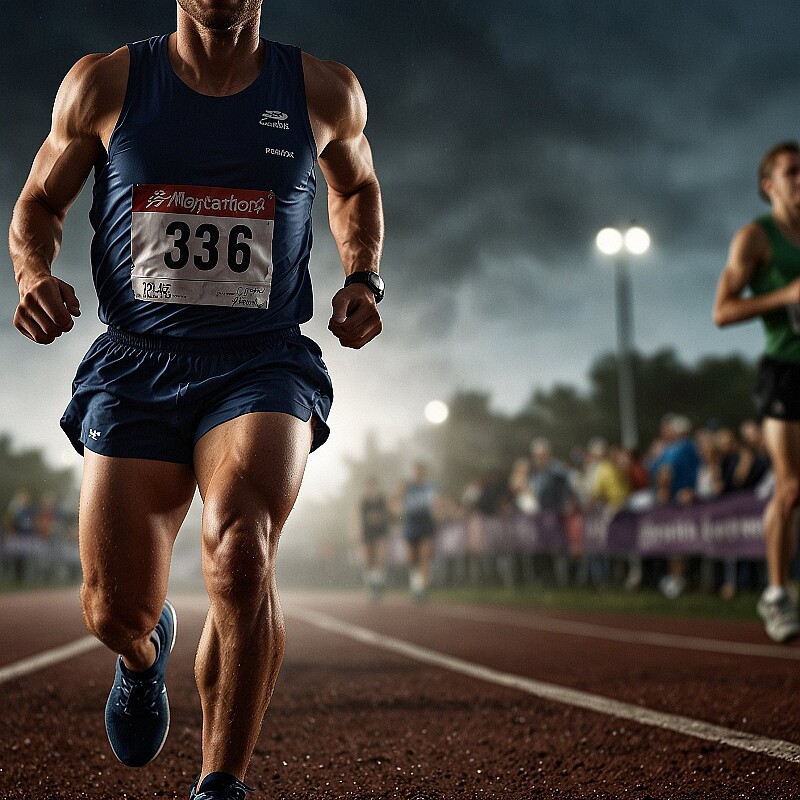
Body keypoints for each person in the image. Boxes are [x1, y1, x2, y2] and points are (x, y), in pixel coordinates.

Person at [9, 2, 384, 797]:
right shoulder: (105, 84)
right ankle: (143, 657)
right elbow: (40, 203)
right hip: (138, 364)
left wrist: (363, 277)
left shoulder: (324, 91)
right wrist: (34, 275)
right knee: (114, 610)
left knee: (243, 549)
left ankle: (221, 783)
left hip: (262, 361)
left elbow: (357, 186)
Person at [713, 140, 800, 643]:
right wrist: (784, 295)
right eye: (792, 172)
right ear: (769, 185)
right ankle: (776, 593)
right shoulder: (756, 239)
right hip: (785, 371)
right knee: (790, 490)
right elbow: (722, 312)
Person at [396, 462, 438, 601]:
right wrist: (397, 506)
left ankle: (421, 588)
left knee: (425, 556)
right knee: (412, 559)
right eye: (416, 471)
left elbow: (437, 503)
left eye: (421, 470)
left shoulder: (430, 487)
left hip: (426, 523)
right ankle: (416, 585)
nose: (418, 473)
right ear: (413, 472)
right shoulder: (407, 486)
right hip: (410, 524)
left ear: (424, 472)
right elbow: (393, 500)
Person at [359, 476, 390, 601]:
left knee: (380, 558)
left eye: (373, 485)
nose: (371, 488)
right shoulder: (364, 501)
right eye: (369, 486)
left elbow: (387, 514)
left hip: (380, 532)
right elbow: (357, 516)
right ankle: (370, 586)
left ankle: (379, 586)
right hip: (367, 533)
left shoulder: (382, 500)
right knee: (367, 560)